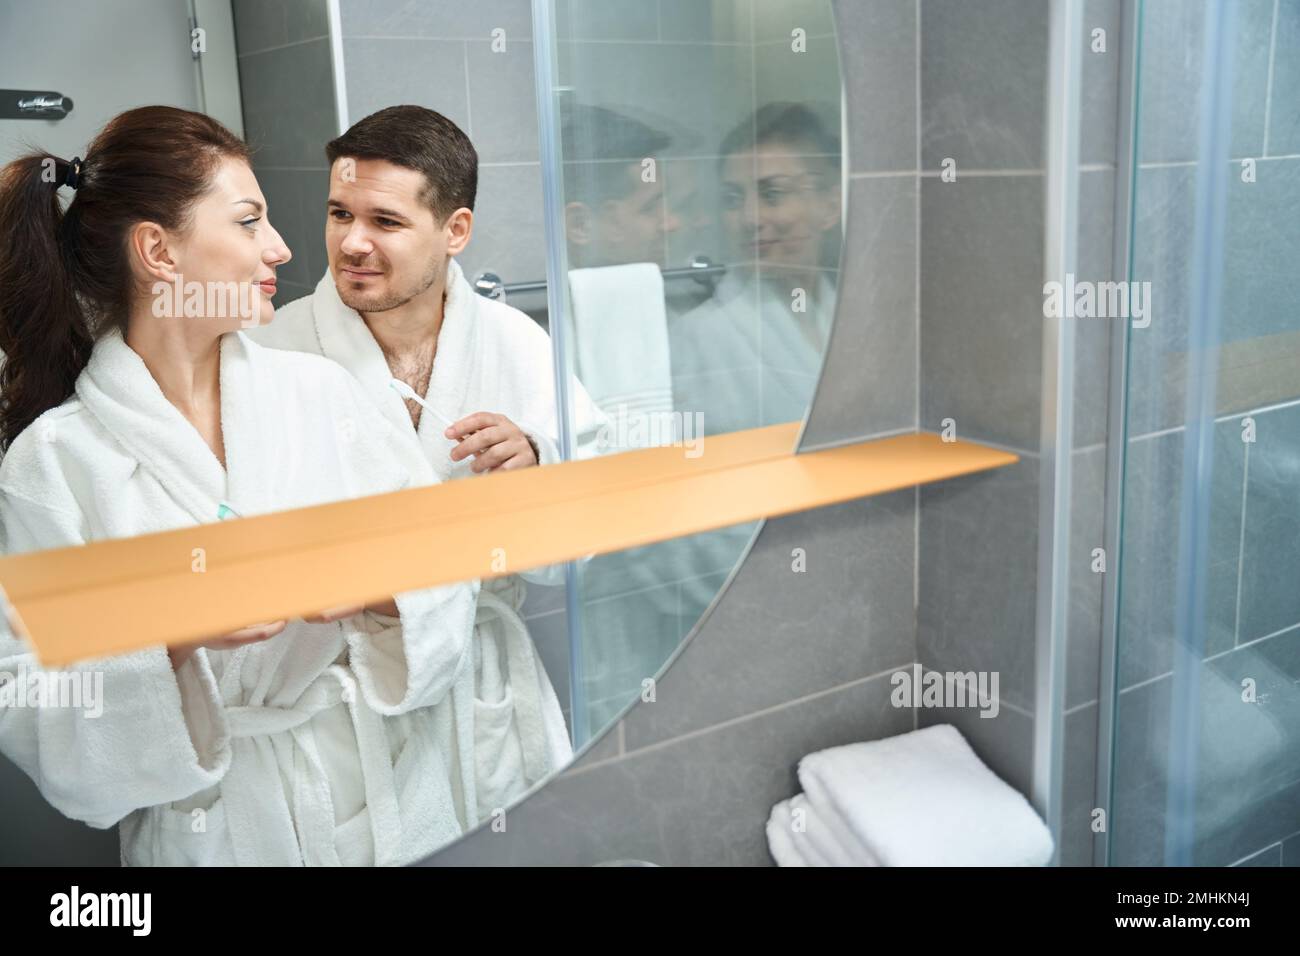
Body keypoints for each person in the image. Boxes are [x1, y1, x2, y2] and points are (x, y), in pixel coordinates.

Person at [0, 106, 481, 866]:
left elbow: (448, 565)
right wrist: (176, 633)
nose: (282, 248)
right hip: (213, 834)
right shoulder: (55, 464)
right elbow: (40, 718)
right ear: (159, 251)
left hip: (373, 796)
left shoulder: (322, 394)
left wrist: (377, 591)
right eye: (250, 222)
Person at [245, 105, 603, 822]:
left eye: (385, 222)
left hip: (483, 692)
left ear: (456, 231)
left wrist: (540, 462)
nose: (351, 242)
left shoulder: (513, 345)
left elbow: (585, 543)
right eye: (339, 212)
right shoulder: (272, 353)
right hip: (343, 705)